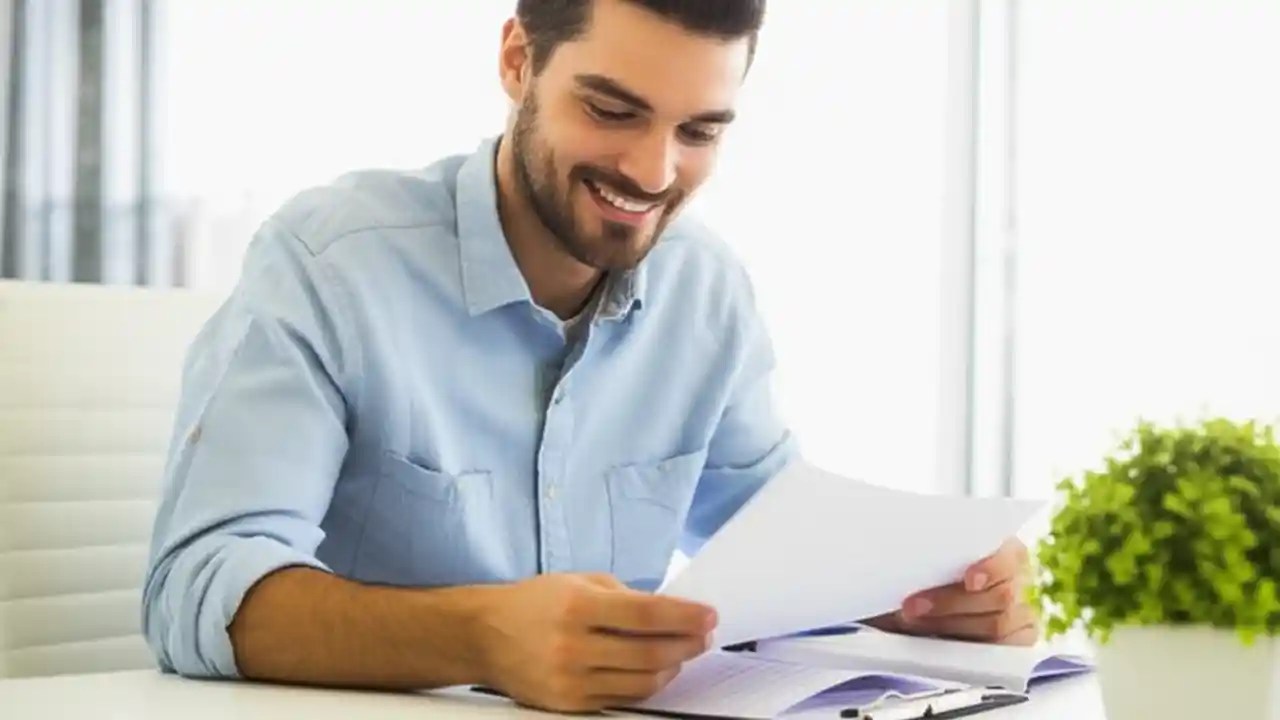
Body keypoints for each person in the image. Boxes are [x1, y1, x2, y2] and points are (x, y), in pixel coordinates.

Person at [141, 0, 1037, 713]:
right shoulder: (331, 263)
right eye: (612, 111)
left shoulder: (703, 294)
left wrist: (928, 593)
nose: (653, 172)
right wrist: (482, 635)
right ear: (517, 61)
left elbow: (776, 542)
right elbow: (196, 587)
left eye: (700, 132)